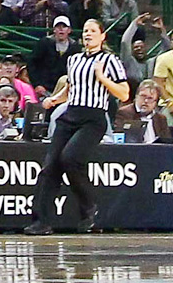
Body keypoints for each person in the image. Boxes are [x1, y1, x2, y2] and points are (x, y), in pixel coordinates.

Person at [25, 18, 128, 235]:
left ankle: (89, 206)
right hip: (71, 113)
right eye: (86, 31)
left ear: (103, 36)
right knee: (50, 166)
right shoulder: (74, 59)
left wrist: (102, 78)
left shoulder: (110, 60)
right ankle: (41, 221)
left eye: (93, 31)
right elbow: (71, 88)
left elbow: (124, 93)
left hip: (94, 118)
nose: (88, 34)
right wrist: (54, 99)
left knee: (70, 159)